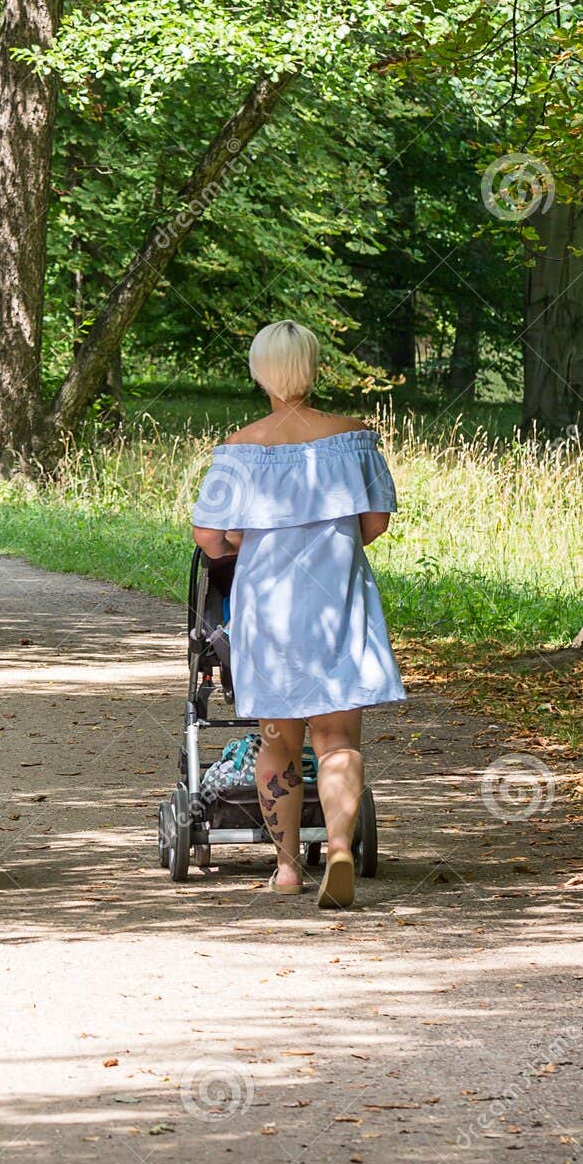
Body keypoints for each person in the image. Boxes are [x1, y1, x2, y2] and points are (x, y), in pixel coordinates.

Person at [191, 320, 405, 910]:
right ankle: (338, 848)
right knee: (337, 739)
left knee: (277, 742)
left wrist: (242, 543)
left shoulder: (240, 449)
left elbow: (209, 536)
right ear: (313, 368)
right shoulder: (353, 438)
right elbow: (376, 524)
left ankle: (286, 868)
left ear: (261, 372)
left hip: (270, 608)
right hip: (337, 600)